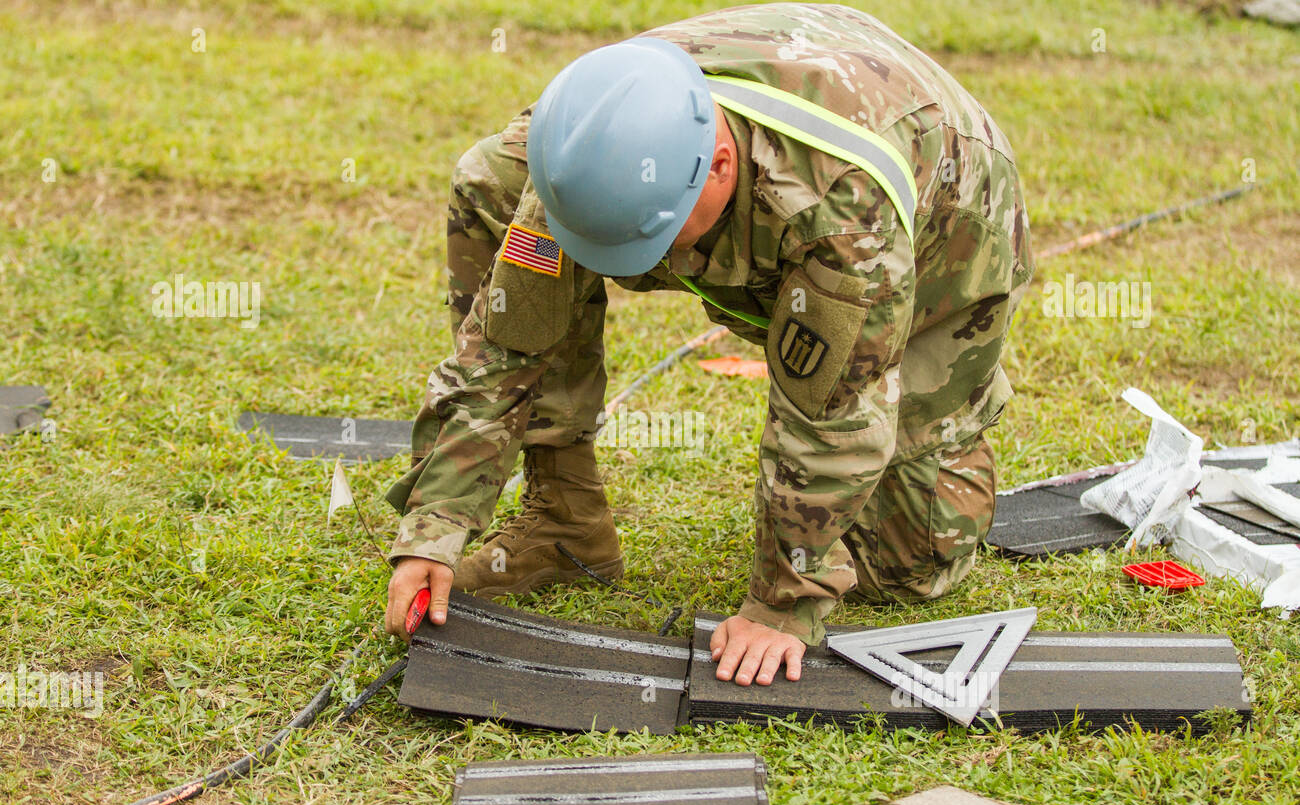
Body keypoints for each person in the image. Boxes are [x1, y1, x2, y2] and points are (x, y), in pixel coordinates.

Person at [383, 3, 1033, 687]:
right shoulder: (587, 157)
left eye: (645, 238)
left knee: (905, 569)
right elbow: (507, 344)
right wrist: (438, 523)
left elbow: (830, 413)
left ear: (718, 164)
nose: (628, 265)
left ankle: (942, 449)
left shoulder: (845, 212)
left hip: (949, 226)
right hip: (761, 135)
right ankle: (564, 520)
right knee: (493, 180)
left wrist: (785, 598)